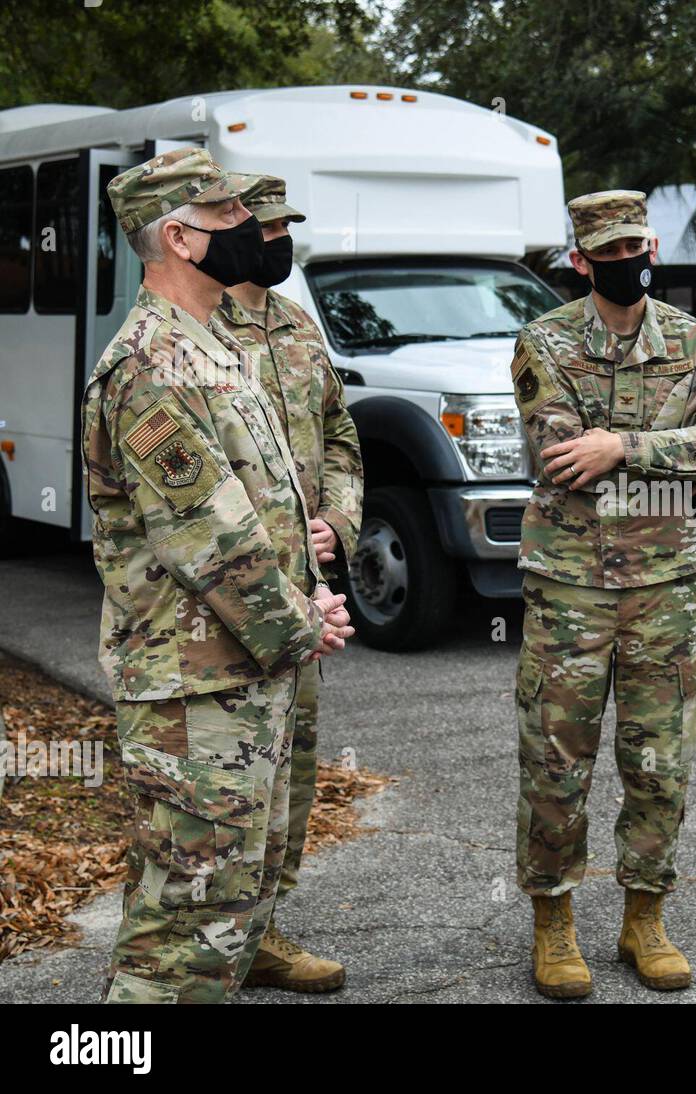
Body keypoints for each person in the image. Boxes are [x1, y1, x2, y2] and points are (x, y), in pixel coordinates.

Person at [81, 148, 352, 1003]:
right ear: (179, 239)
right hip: (192, 693)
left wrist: (308, 590)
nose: (252, 234)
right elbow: (208, 540)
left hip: (242, 674)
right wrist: (303, 623)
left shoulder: (212, 348)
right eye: (230, 219)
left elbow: (266, 508)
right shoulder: (151, 365)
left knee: (226, 910)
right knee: (182, 939)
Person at [510, 190, 696, 997]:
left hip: (666, 587)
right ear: (581, 262)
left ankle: (645, 917)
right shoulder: (543, 341)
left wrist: (623, 444)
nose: (627, 264)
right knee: (556, 761)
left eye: (636, 247)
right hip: (570, 588)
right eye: (607, 255)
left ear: (653, 245)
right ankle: (554, 922)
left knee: (660, 762)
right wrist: (649, 450)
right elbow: (559, 454)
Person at [210, 174, 363, 992]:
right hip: (221, 604)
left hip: (302, 598)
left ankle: (262, 929)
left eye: (286, 229)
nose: (280, 243)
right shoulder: (196, 332)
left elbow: (341, 434)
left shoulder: (295, 325)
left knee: (289, 772)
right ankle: (203, 942)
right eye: (266, 229)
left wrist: (336, 521)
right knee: (218, 786)